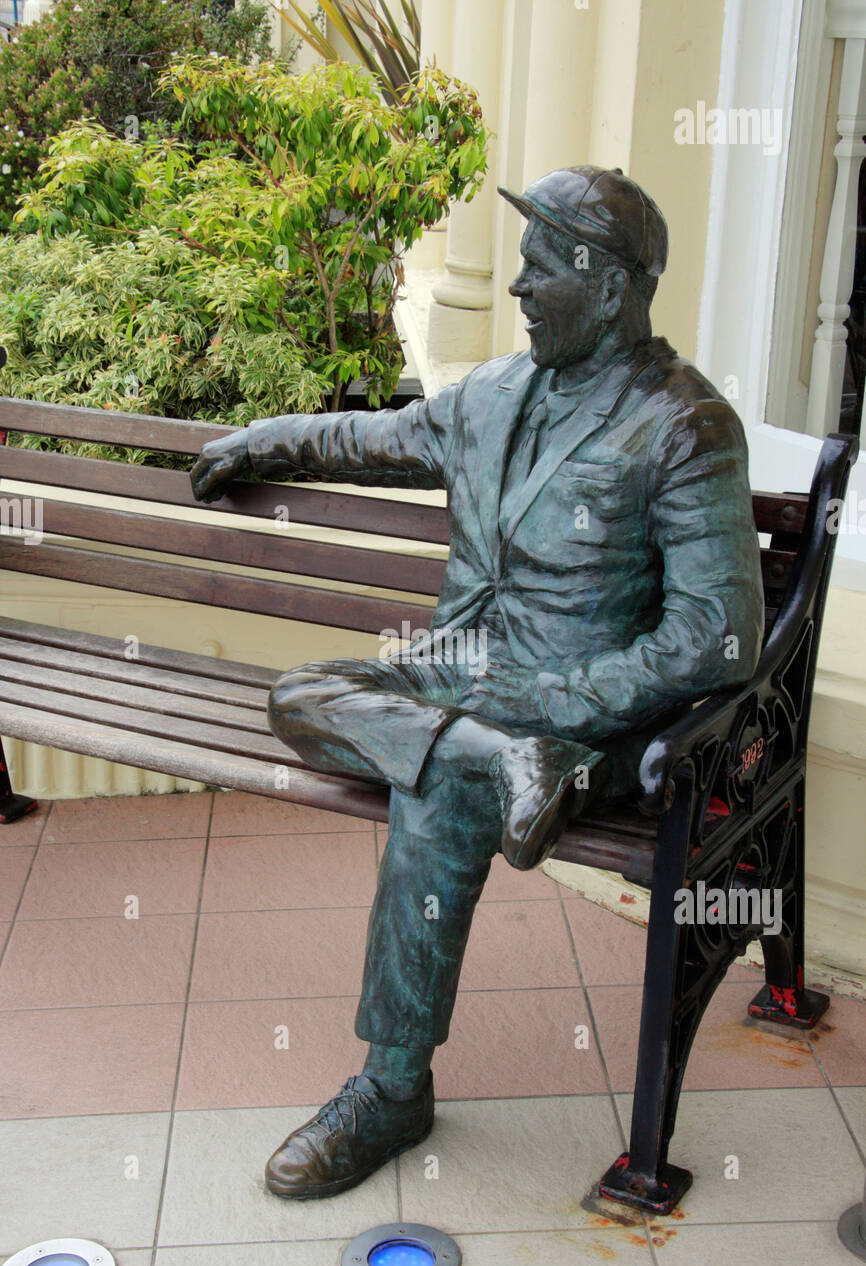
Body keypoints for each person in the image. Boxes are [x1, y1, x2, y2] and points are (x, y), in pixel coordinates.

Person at [191, 166, 764, 1201]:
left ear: (607, 287)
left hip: (587, 722)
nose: (517, 289)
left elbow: (715, 638)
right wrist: (258, 440)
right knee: (298, 693)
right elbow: (370, 438)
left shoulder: (683, 425)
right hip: (460, 684)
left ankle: (391, 1087)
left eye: (539, 271)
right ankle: (497, 760)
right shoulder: (498, 392)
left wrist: (555, 708)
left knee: (432, 784)